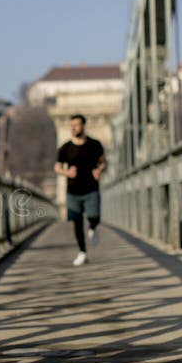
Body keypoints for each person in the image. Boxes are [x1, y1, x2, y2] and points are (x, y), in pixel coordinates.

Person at [54, 114, 107, 266]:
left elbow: (104, 163)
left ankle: (93, 227)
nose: (73, 128)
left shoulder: (94, 144)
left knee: (94, 217)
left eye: (76, 125)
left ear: (83, 125)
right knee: (77, 223)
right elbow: (57, 167)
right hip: (73, 191)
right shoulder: (65, 148)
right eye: (71, 125)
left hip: (91, 189)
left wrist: (99, 170)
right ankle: (82, 252)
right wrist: (67, 173)